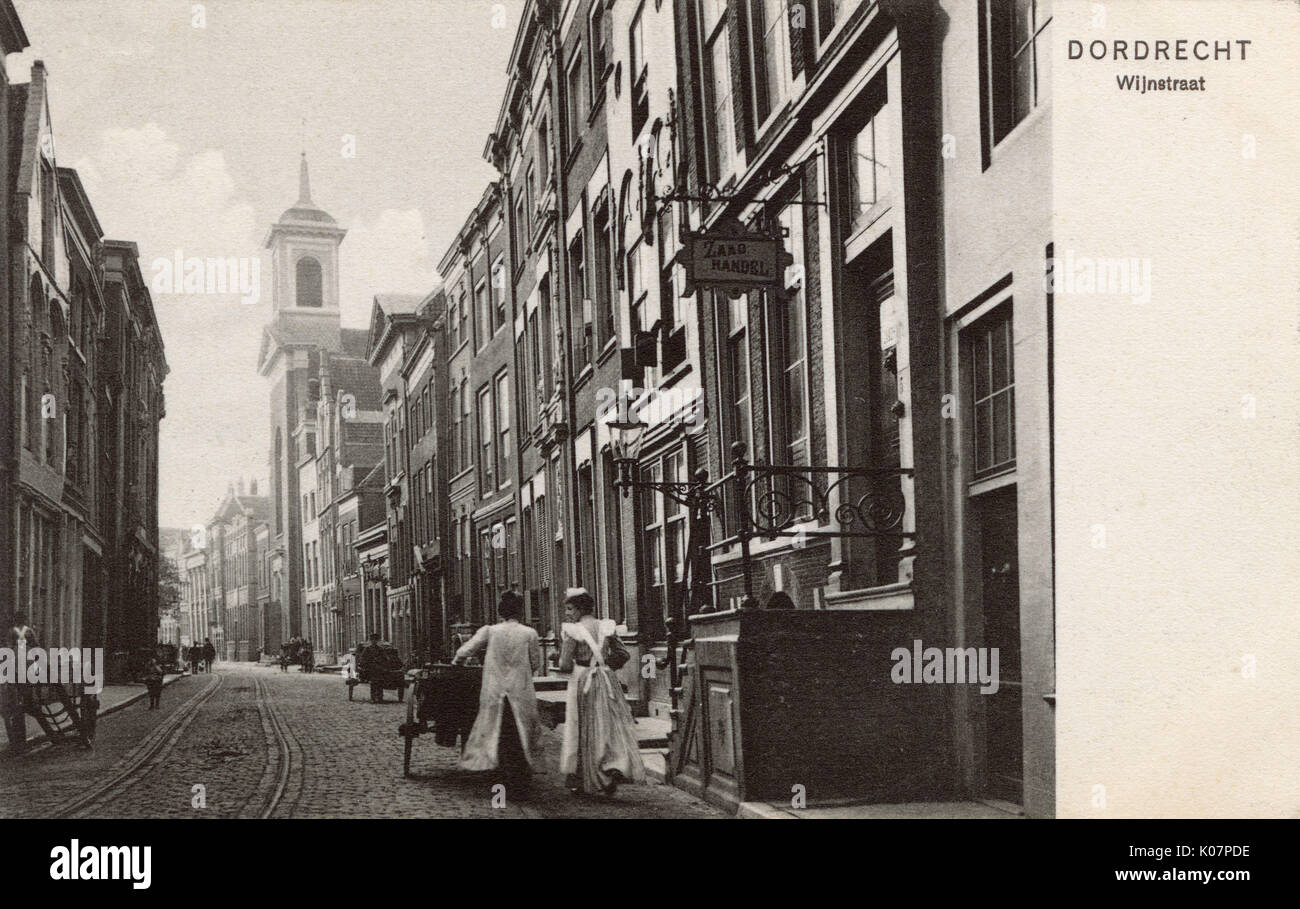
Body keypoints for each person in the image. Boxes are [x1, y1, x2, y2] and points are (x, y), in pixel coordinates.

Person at [451, 591, 543, 792]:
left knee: (494, 731)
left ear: (501, 611)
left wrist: (457, 663)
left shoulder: (490, 631)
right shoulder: (529, 633)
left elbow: (464, 651)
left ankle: (497, 776)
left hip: (495, 691)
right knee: (520, 734)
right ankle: (519, 779)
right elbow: (536, 662)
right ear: (520, 611)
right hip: (520, 692)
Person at [557, 588, 645, 797]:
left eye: (570, 609)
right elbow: (623, 654)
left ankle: (582, 777)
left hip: (582, 680)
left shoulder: (572, 631)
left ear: (579, 609)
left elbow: (565, 665)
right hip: (606, 681)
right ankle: (611, 766)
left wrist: (558, 658)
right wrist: (603, 666)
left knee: (581, 727)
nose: (568, 614)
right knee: (608, 725)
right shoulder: (607, 626)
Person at [4, 612, 39, 752]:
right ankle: (28, 699)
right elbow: (36, 645)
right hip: (28, 660)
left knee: (16, 683)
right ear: (24, 620)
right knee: (27, 683)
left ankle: (20, 699)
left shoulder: (11, 631)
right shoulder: (29, 631)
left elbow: (8, 646)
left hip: (16, 661)